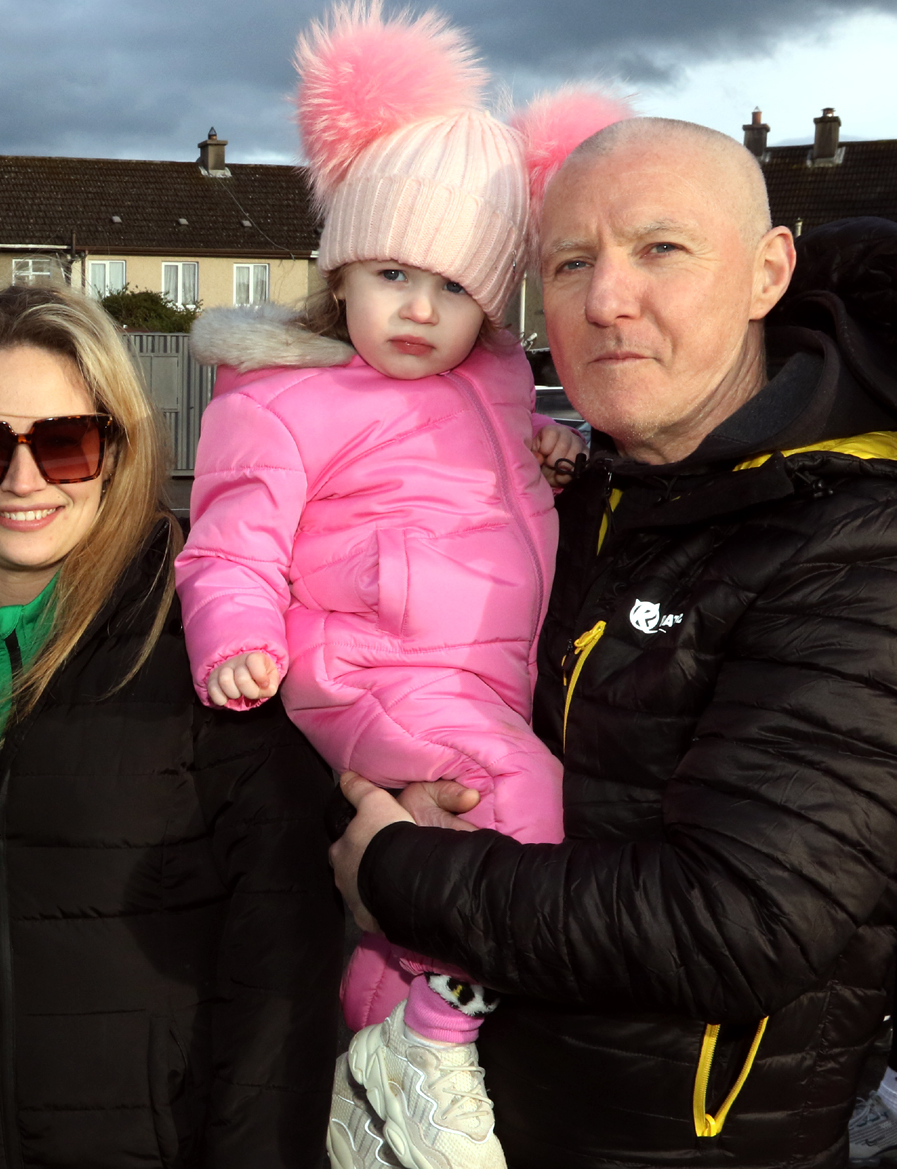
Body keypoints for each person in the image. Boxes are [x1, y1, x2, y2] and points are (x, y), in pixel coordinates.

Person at [330, 118, 897, 1169]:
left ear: (769, 271)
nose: (605, 301)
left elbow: (742, 917)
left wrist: (400, 871)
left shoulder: (858, 542)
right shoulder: (578, 501)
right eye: (570, 262)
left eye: (660, 249)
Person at [174, 0, 615, 1169]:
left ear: (494, 298)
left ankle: (372, 1066)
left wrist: (554, 469)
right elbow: (229, 539)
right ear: (339, 270)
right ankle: (429, 1039)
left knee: (442, 871)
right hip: (360, 667)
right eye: (390, 274)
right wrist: (234, 636)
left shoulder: (500, 385)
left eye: (455, 287)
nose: (419, 310)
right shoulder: (283, 399)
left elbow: (491, 506)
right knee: (532, 805)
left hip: (471, 674)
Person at [0, 283, 344, 1168]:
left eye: (64, 442)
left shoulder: (211, 645)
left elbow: (282, 964)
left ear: (116, 449)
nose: (25, 481)